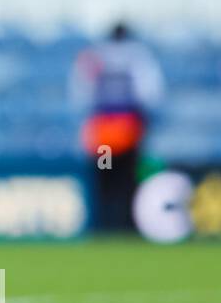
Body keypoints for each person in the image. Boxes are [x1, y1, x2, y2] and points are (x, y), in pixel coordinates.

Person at [68, 22, 165, 233]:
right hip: (129, 129)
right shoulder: (138, 56)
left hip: (104, 133)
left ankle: (104, 225)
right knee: (127, 180)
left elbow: (81, 93)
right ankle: (127, 226)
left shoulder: (95, 55)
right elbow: (150, 92)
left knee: (105, 180)